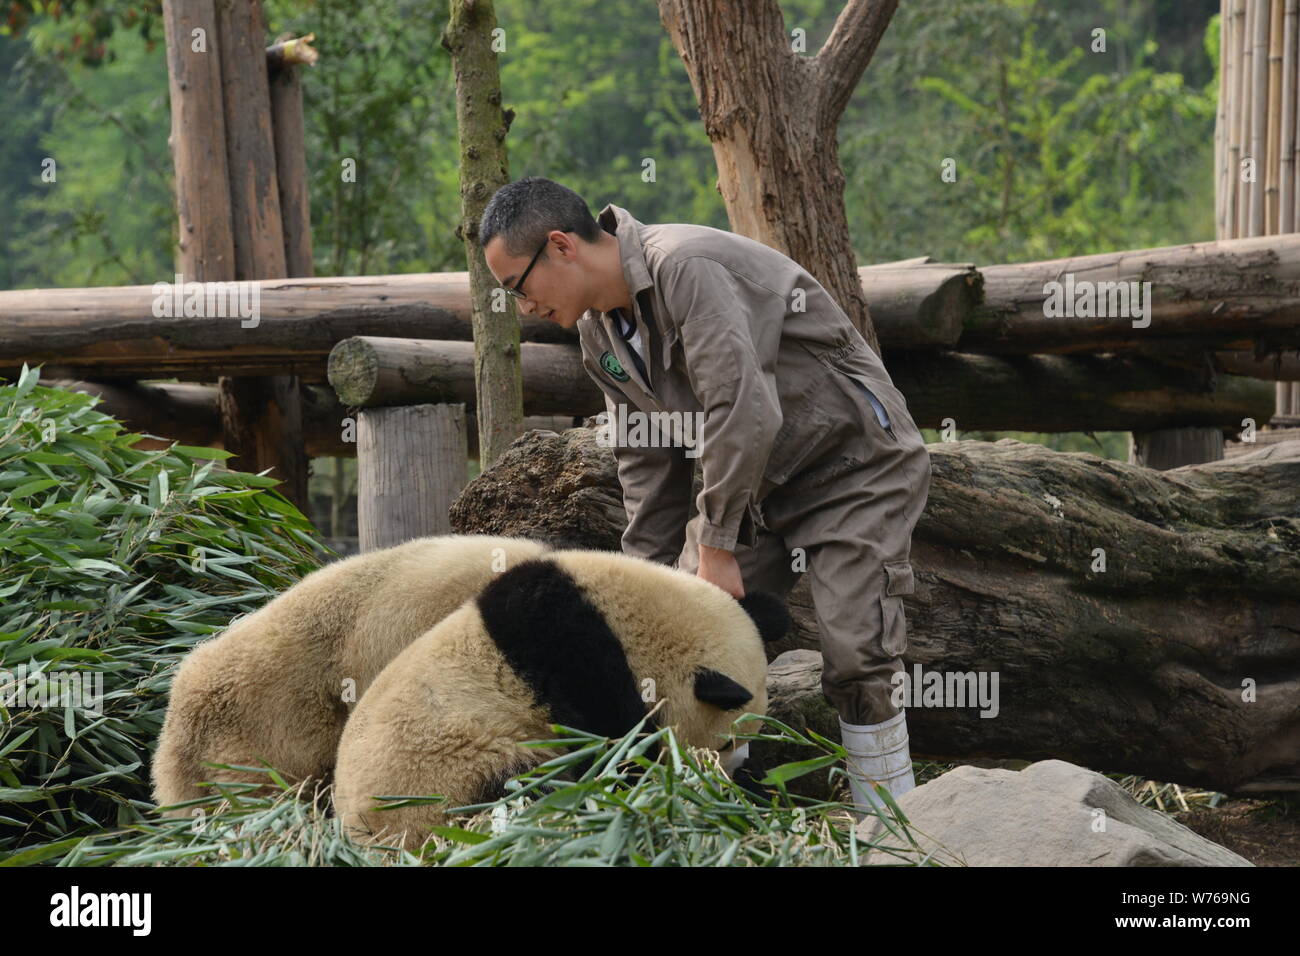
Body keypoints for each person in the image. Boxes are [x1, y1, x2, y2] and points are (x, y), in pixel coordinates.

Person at [478, 176, 931, 815]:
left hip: (850, 469)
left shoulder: (686, 267)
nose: (521, 306)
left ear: (560, 246)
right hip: (752, 486)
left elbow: (745, 411)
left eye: (516, 287)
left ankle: (892, 827)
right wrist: (643, 586)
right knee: (686, 643)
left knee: (856, 653)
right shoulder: (598, 333)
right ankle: (719, 815)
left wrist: (715, 543)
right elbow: (647, 458)